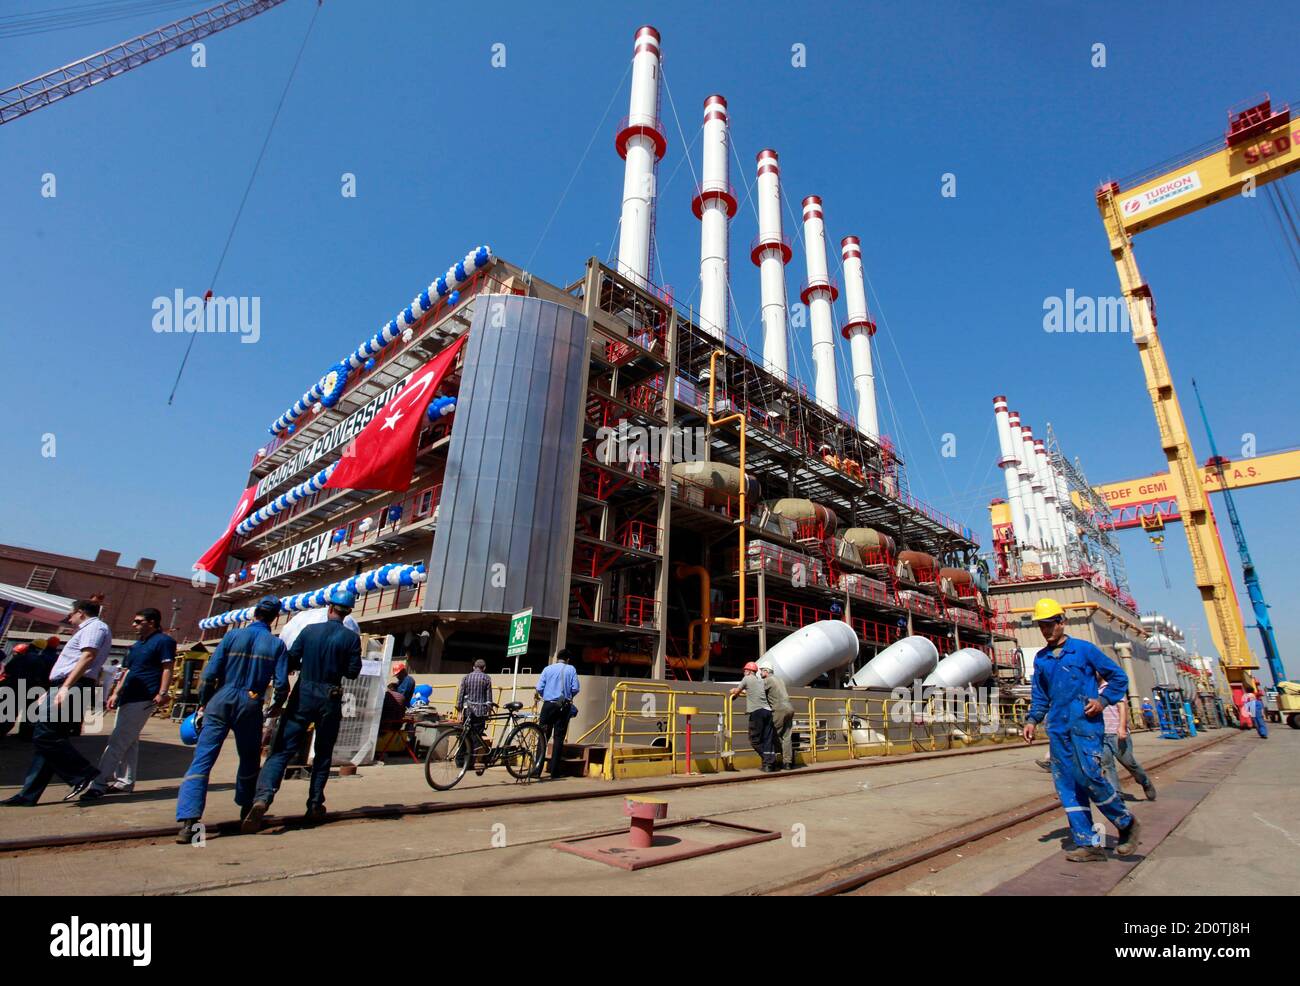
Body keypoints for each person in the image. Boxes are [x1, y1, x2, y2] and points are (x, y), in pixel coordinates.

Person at [1021, 598, 1140, 862]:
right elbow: (1040, 696)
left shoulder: (1084, 651)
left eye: (1050, 624)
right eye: (1042, 626)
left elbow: (1118, 677)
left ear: (1061, 622)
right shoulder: (1041, 660)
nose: (1046, 630)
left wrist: (1103, 700)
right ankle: (1089, 843)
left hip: (1085, 726)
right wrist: (1032, 720)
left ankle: (1126, 823)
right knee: (1067, 786)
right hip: (1058, 729)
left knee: (1090, 777)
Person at [243, 589, 362, 832]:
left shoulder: (308, 632)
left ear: (330, 608)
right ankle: (315, 803)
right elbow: (352, 672)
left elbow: (291, 660)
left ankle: (262, 798)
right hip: (330, 696)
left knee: (281, 750)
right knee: (323, 753)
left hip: (303, 694)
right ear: (348, 611)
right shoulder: (351, 639)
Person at [174, 595, 288, 844]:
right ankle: (246, 809)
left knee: (202, 760)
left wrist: (204, 702)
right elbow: (281, 685)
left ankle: (190, 823)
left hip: (221, 699)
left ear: (255, 614)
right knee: (248, 759)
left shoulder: (231, 637)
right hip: (251, 701)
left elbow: (209, 674)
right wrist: (275, 707)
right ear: (274, 618)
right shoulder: (276, 645)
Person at [3, 600, 113, 806]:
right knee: (49, 740)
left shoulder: (94, 627)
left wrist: (65, 687)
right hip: (66, 685)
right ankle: (29, 794)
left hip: (71, 685)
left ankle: (82, 773)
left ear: (80, 612)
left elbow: (88, 656)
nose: (69, 618)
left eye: (71, 614)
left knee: (44, 734)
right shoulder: (89, 629)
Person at [80, 608, 176, 800]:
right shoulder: (136, 646)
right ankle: (125, 781)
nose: (134, 625)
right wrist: (116, 693)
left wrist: (162, 692)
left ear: (152, 622)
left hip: (144, 696)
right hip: (129, 696)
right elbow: (127, 672)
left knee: (117, 741)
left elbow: (167, 668)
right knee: (129, 741)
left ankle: (98, 783)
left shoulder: (164, 642)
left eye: (138, 621)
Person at [532, 648, 580, 780]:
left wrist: (547, 696)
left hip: (548, 706)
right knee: (558, 738)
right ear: (568, 659)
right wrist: (568, 696)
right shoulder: (571, 669)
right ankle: (554, 772)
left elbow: (540, 688)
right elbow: (575, 688)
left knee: (542, 737)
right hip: (563, 706)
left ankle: (537, 770)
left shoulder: (547, 669)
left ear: (557, 658)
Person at [1100, 691, 1156, 802]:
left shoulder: (1113, 686)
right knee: (1107, 765)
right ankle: (1117, 795)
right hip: (1101, 734)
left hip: (1117, 733)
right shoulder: (1090, 685)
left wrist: (1122, 727)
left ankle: (1145, 781)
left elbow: (1122, 707)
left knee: (1129, 762)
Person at [728, 661, 774, 771]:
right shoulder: (760, 681)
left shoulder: (746, 679)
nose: (744, 672)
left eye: (745, 670)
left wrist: (734, 691)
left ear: (749, 671)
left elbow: (737, 691)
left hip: (756, 712)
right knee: (767, 739)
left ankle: (768, 760)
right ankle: (769, 764)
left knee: (754, 740)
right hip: (768, 712)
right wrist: (745, 692)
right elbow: (753, 692)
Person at [456, 658, 495, 772]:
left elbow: (460, 696)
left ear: (473, 667)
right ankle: (469, 762)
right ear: (484, 668)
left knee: (464, 735)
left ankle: (459, 761)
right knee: (475, 738)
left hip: (467, 712)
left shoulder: (466, 678)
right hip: (480, 712)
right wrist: (488, 711)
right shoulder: (486, 678)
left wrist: (459, 711)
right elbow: (489, 699)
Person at [760, 665, 795, 770]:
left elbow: (757, 691)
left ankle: (770, 763)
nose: (760, 673)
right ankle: (787, 763)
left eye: (761, 671)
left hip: (779, 709)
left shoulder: (768, 680)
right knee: (786, 737)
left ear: (766, 671)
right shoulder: (780, 679)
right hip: (789, 708)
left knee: (771, 734)